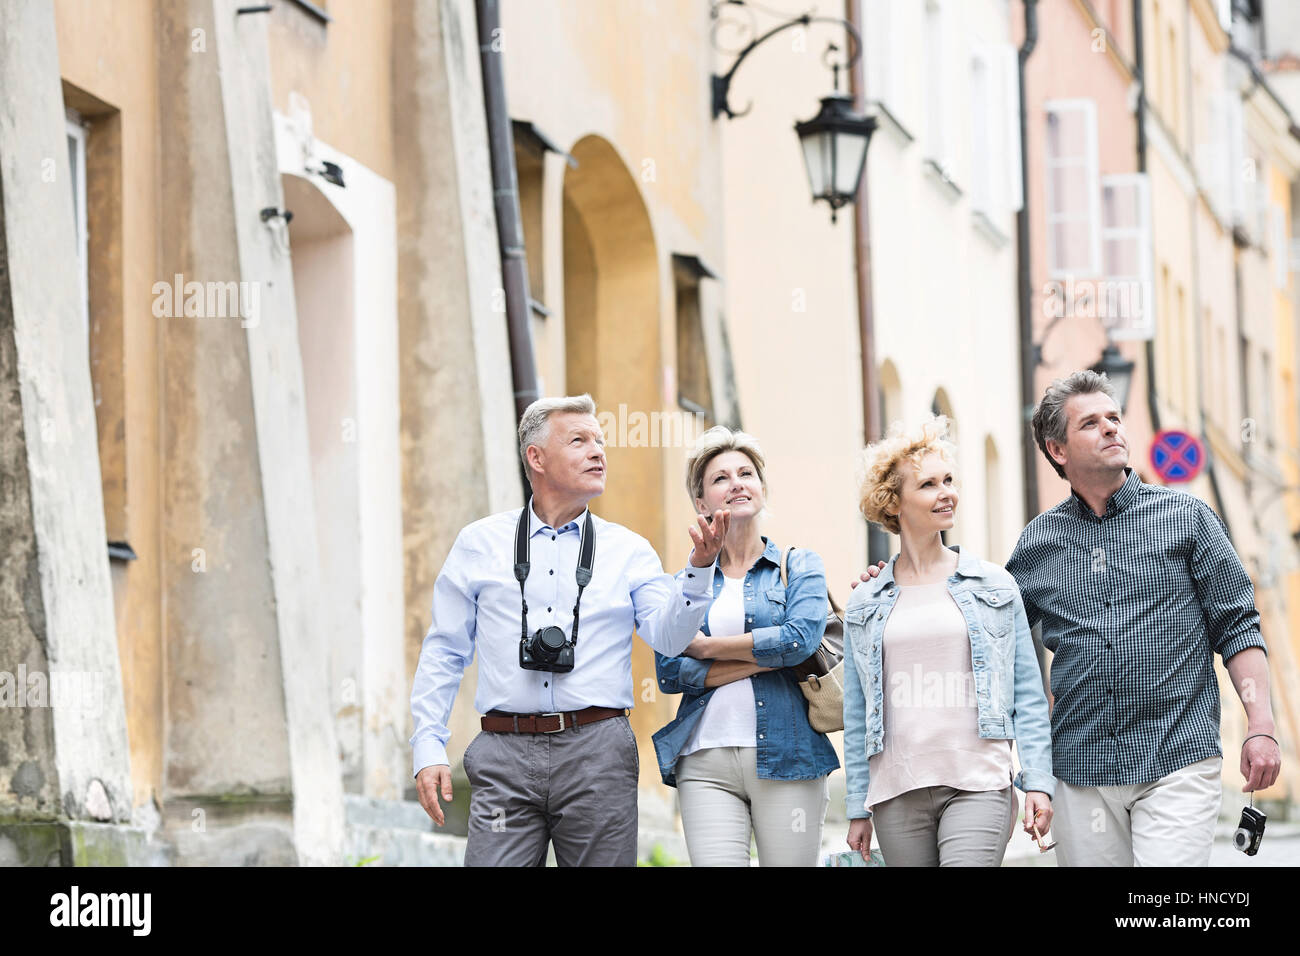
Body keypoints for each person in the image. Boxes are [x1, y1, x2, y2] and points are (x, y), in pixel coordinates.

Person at [409, 394, 729, 866]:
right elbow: (444, 650)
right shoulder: (479, 543)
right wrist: (428, 744)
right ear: (535, 457)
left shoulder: (629, 550)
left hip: (596, 752)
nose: (598, 451)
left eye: (600, 440)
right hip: (503, 752)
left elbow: (668, 638)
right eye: (578, 441)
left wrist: (699, 571)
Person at [1004, 370, 1280, 866]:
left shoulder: (1187, 517)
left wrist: (1260, 725)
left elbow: (1238, 627)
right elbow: (993, 638)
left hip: (1178, 754)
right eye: (1090, 423)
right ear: (1058, 450)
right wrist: (896, 579)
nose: (1111, 428)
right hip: (1080, 767)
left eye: (1114, 417)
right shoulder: (1037, 543)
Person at [842, 415, 1055, 866]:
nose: (947, 493)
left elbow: (1028, 694)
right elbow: (858, 709)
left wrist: (1036, 779)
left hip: (978, 782)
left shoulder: (994, 586)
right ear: (893, 502)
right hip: (897, 790)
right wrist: (857, 804)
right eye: (928, 485)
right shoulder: (866, 600)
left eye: (949, 480)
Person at [651, 427, 839, 866]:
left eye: (746, 473)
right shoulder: (682, 583)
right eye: (720, 478)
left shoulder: (799, 565)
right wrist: (765, 659)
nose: (736, 483)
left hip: (788, 753)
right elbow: (668, 672)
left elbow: (801, 640)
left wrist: (707, 647)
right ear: (702, 504)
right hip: (704, 759)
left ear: (761, 488)